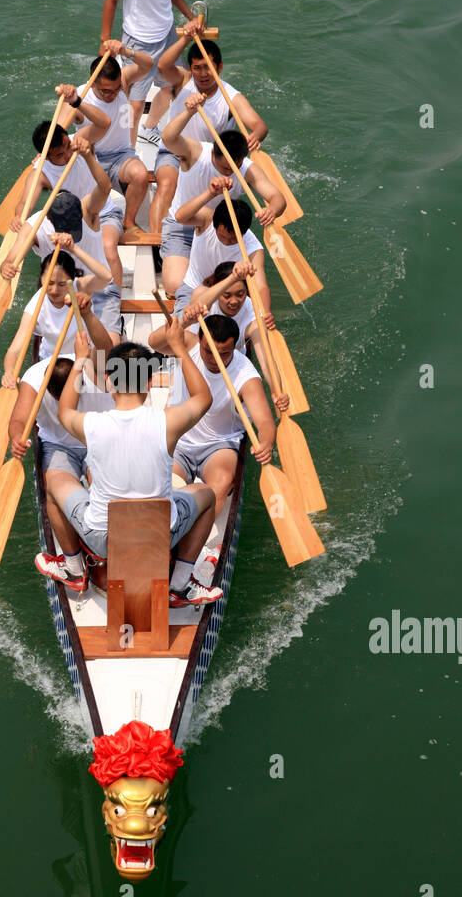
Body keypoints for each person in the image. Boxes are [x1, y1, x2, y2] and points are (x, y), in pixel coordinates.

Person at [43, 322, 225, 606]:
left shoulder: (91, 424)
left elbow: (65, 409)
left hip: (103, 538)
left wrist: (80, 359)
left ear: (110, 381)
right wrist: (179, 347)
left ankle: (74, 569)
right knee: (206, 493)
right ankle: (179, 585)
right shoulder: (168, 422)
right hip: (160, 534)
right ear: (150, 382)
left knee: (54, 479)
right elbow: (204, 397)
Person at [148, 310, 286, 518]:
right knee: (163, 483)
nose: (215, 359)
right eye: (209, 351)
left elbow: (265, 422)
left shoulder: (246, 375)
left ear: (234, 348)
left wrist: (266, 443)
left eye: (225, 353)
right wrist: (184, 320)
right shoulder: (189, 343)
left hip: (219, 446)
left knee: (221, 481)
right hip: (180, 440)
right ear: (200, 340)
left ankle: (202, 540)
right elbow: (154, 342)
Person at [158, 92, 285, 296]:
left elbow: (278, 198)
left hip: (222, 233)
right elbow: (168, 138)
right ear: (212, 154)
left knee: (230, 290)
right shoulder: (196, 152)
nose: (230, 172)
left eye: (236, 167)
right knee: (174, 287)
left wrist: (272, 210)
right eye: (225, 168)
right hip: (183, 224)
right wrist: (189, 112)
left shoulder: (247, 169)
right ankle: (175, 261)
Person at [2, 132, 123, 343]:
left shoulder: (87, 209)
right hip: (57, 294)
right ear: (49, 218)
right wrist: (7, 266)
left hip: (99, 289)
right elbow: (12, 257)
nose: (70, 234)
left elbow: (105, 187)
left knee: (109, 351)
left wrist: (88, 157)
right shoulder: (35, 226)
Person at [8, 352, 113, 593]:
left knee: (106, 490)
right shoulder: (35, 380)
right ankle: (74, 566)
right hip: (59, 445)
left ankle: (106, 551)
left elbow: (110, 348)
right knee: (53, 489)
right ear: (52, 393)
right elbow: (19, 419)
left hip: (97, 439)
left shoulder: (96, 372)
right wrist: (16, 437)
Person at [150, 31, 269, 236]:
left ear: (219, 67)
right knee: (168, 182)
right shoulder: (182, 80)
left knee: (216, 205)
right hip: (174, 150)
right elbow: (162, 67)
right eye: (197, 68)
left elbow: (259, 125)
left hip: (210, 159)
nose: (203, 74)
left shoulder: (231, 96)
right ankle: (157, 242)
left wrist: (256, 135)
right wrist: (186, 38)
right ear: (190, 68)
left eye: (208, 67)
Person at [99, 0, 195, 147]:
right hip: (137, 41)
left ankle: (148, 128)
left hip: (167, 35)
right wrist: (104, 41)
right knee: (136, 103)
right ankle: (128, 153)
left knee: (172, 86)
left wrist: (191, 17)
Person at [71, 50, 154, 239]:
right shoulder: (79, 98)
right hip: (91, 160)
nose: (112, 95)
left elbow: (148, 65)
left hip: (121, 156)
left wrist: (126, 51)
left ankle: (129, 221)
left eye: (116, 89)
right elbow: (58, 128)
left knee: (140, 174)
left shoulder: (122, 82)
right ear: (92, 83)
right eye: (105, 91)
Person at [1, 250, 112, 379]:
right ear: (42, 278)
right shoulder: (35, 307)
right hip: (52, 364)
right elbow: (14, 351)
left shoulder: (80, 286)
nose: (54, 290)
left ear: (72, 279)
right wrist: (9, 373)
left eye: (62, 284)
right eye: (50, 283)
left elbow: (106, 276)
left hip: (85, 358)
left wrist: (73, 248)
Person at [173, 182, 270, 317]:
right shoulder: (207, 219)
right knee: (181, 329)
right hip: (193, 287)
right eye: (222, 236)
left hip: (229, 299)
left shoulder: (254, 249)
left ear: (244, 231)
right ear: (215, 224)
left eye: (233, 239)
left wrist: (265, 314)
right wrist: (210, 193)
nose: (226, 241)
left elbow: (260, 286)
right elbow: (180, 217)